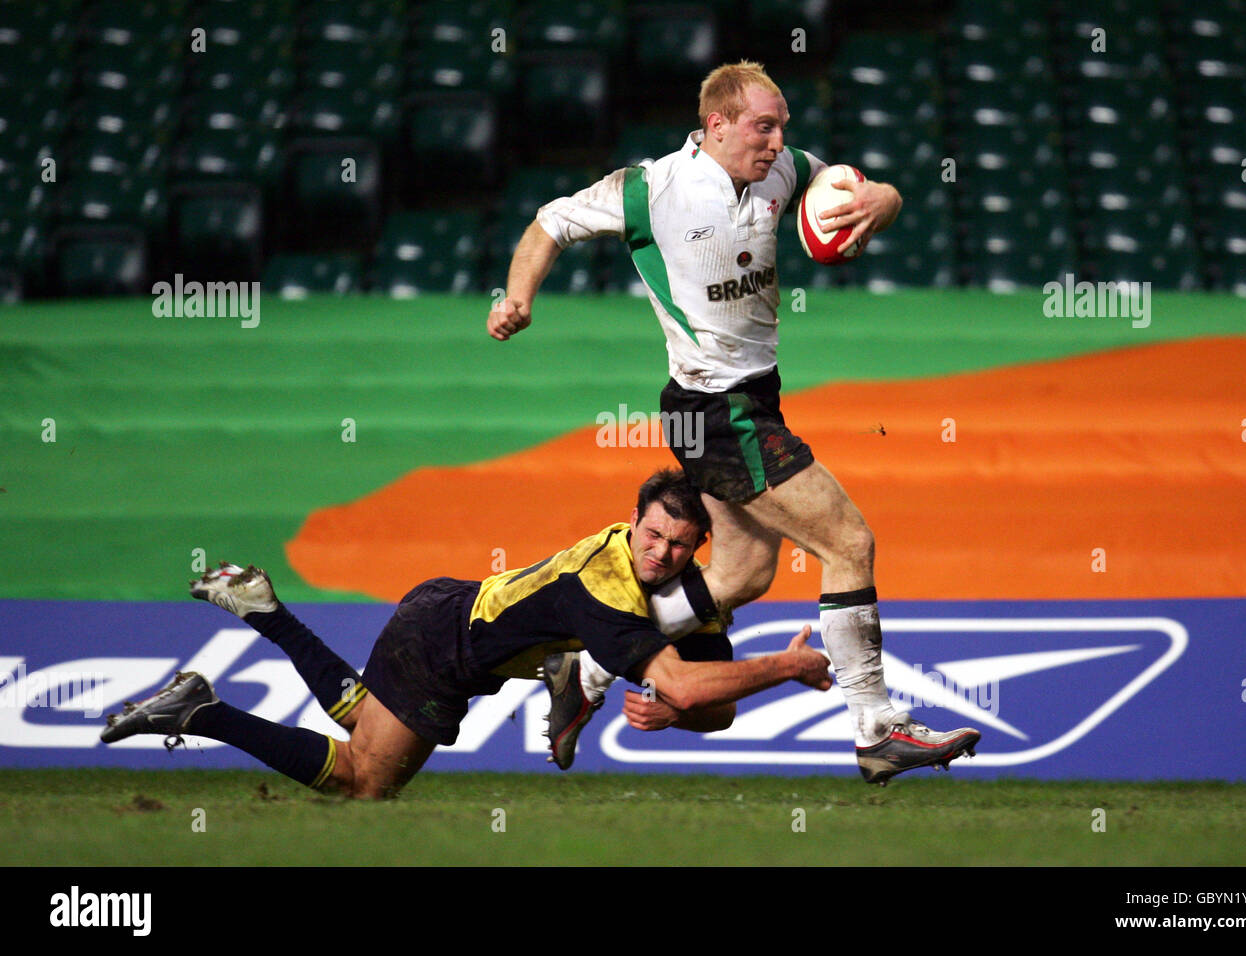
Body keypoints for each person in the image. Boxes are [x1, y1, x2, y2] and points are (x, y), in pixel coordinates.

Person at [489, 61, 979, 785]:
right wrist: (517, 298)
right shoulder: (651, 189)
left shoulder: (783, 170)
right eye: (764, 126)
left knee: (742, 574)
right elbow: (548, 224)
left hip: (742, 403)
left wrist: (884, 199)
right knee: (848, 540)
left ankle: (584, 670)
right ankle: (878, 730)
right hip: (716, 412)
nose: (780, 140)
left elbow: (866, 188)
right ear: (716, 126)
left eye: (782, 126)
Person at [100, 469, 832, 798]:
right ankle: (200, 710)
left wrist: (679, 711)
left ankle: (268, 614)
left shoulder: (675, 595)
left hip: (451, 612)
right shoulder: (607, 588)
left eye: (678, 544)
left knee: (362, 722)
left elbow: (717, 707)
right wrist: (790, 667)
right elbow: (682, 678)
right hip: (442, 643)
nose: (660, 553)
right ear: (632, 521)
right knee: (364, 780)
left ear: (697, 547)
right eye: (652, 534)